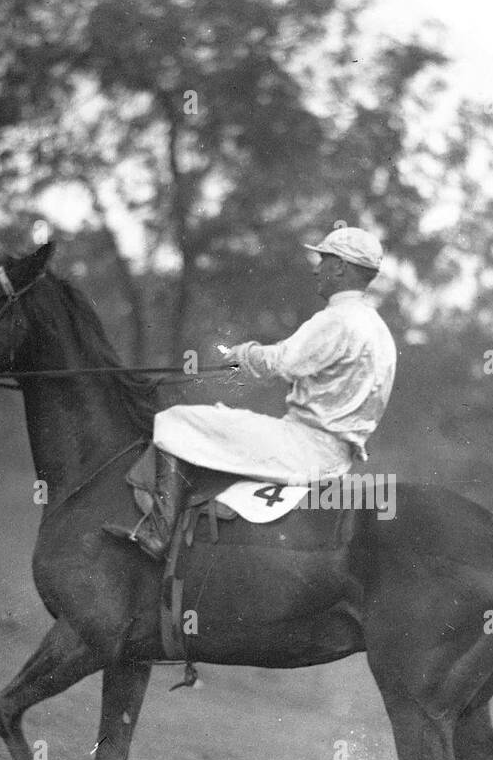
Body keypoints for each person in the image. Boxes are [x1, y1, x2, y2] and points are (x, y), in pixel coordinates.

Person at [113, 221, 397, 558]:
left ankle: (158, 531)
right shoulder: (380, 331)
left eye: (323, 260)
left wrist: (242, 355)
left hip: (305, 448)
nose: (317, 270)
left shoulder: (337, 319)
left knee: (178, 420)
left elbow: (283, 362)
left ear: (340, 268)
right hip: (337, 456)